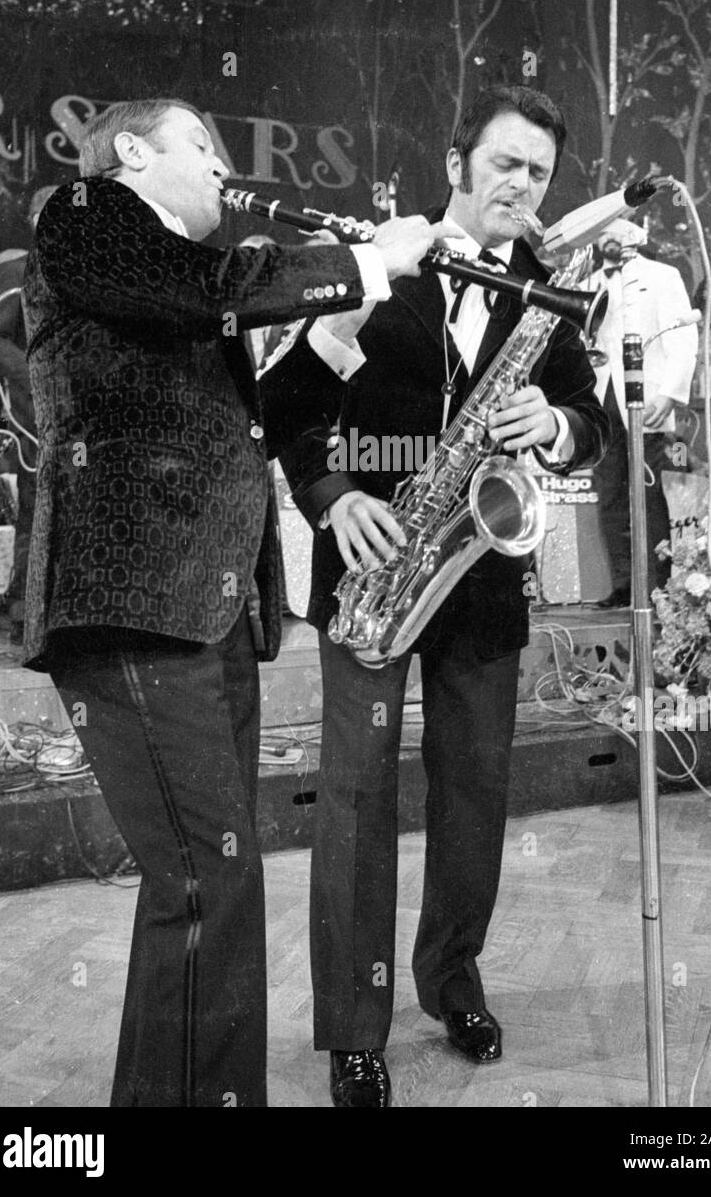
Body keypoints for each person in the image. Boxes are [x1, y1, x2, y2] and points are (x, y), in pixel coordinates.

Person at [22, 96, 445, 1108]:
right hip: (137, 605)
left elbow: (238, 410)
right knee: (208, 881)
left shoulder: (173, 285)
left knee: (207, 882)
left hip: (199, 610)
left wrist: (339, 325)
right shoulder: (86, 209)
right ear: (134, 150)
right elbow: (204, 291)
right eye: (202, 145)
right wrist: (365, 260)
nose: (222, 165)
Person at [272, 85, 609, 1106]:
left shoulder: (546, 299)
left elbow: (591, 419)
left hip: (480, 577)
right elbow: (291, 402)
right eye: (505, 162)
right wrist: (331, 498)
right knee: (360, 803)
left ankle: (451, 980)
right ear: (458, 161)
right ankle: (355, 1027)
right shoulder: (383, 263)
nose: (521, 185)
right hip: (374, 565)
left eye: (540, 174)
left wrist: (552, 422)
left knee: (476, 796)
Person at [591, 218, 699, 607]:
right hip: (603, 401)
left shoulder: (663, 275)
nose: (606, 239)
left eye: (614, 231)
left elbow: (683, 338)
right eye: (601, 233)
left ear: (636, 236)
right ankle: (625, 585)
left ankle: (657, 587)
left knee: (651, 499)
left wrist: (670, 394)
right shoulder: (591, 282)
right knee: (611, 497)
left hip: (648, 402)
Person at [0, 186, 58, 644]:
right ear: (34, 219)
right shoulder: (15, 269)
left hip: (85, 411)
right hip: (37, 410)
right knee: (37, 504)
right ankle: (24, 608)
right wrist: (35, 379)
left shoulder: (87, 271)